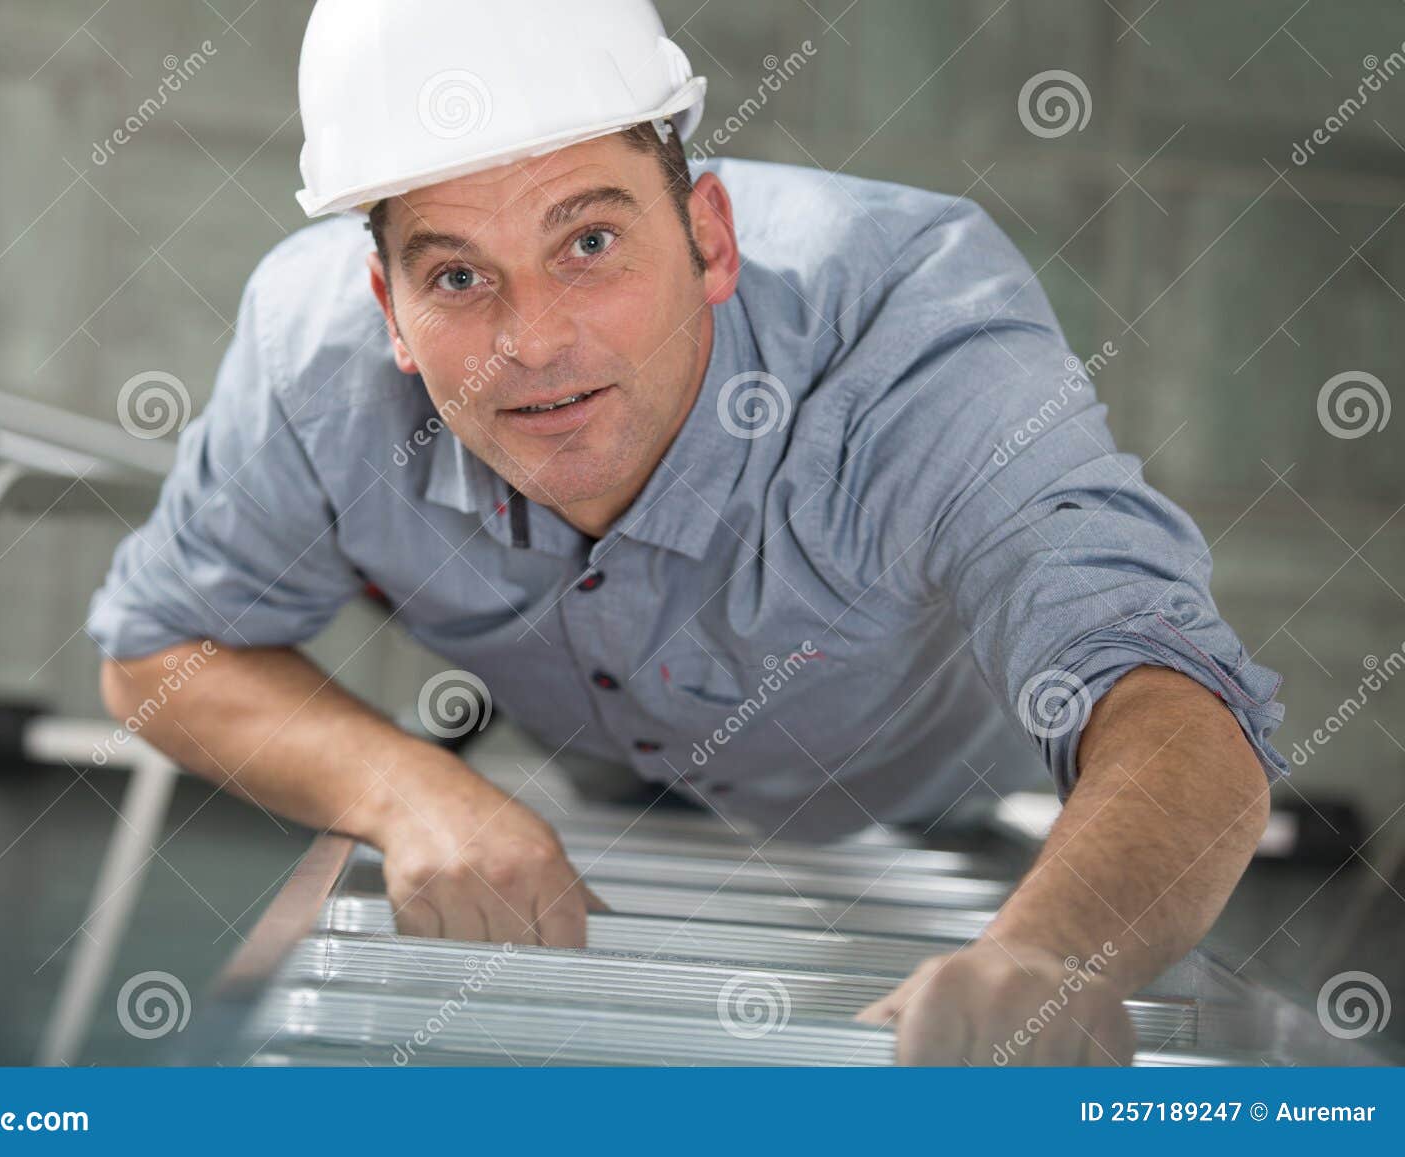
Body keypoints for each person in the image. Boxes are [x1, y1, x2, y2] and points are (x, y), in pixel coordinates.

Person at [87, 0, 1285, 1064]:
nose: (534, 342)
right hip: (603, 786)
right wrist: (405, 787)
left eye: (588, 243)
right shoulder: (316, 364)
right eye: (457, 277)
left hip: (932, 804)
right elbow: (158, 652)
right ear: (388, 310)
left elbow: (1170, 691)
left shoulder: (910, 333)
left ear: (710, 238)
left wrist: (1056, 954)